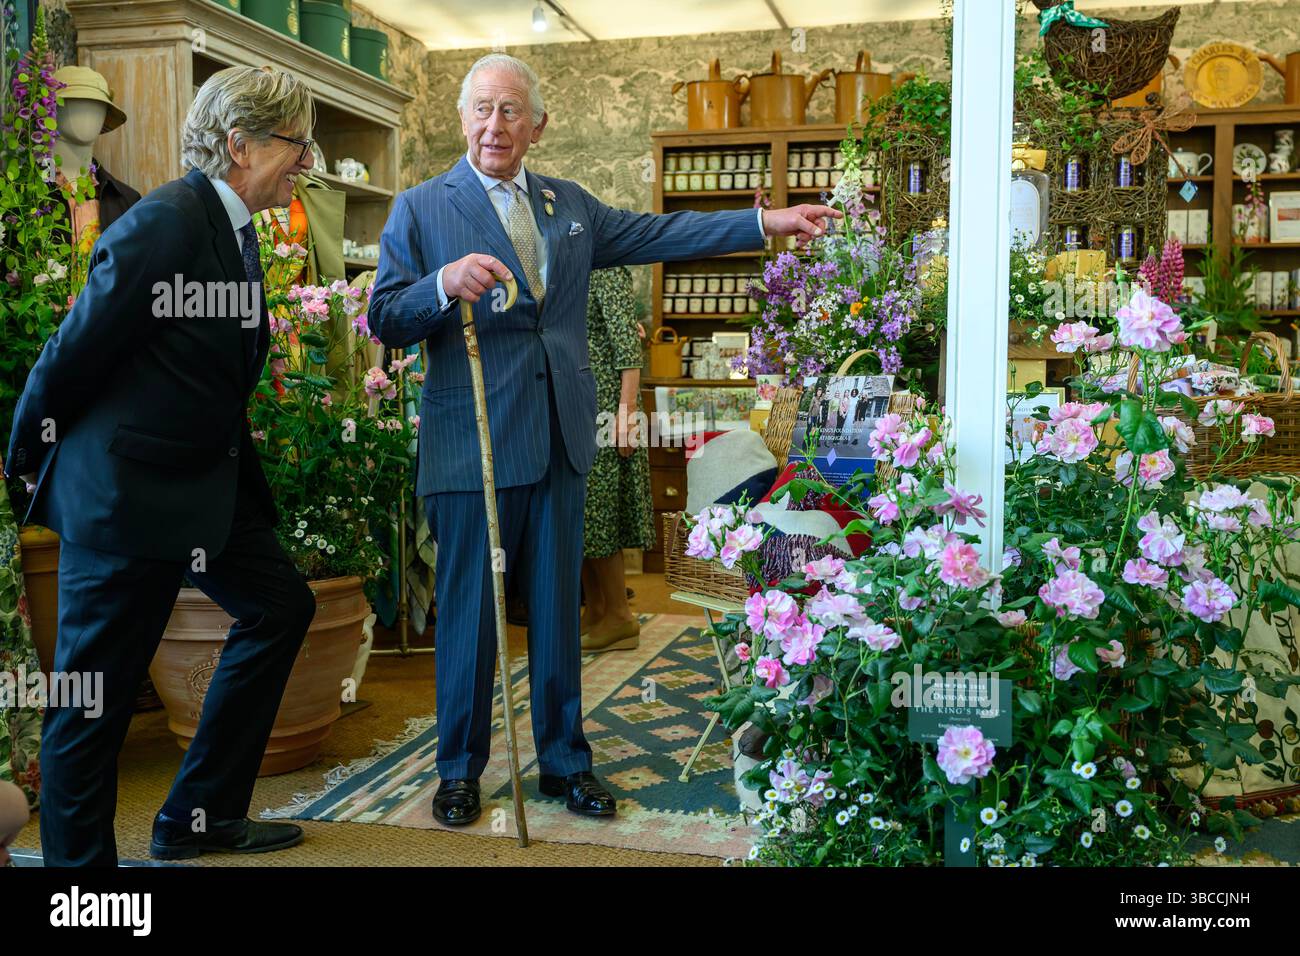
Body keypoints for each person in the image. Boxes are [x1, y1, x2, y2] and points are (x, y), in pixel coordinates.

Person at [368, 52, 838, 827]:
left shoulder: (570, 207)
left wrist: (766, 222)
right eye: (482, 109)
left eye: (511, 111)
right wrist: (441, 285)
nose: (495, 125)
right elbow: (385, 316)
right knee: (471, 616)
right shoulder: (421, 210)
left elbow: (662, 230)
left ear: (538, 125)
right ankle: (458, 770)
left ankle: (564, 763)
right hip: (470, 445)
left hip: (560, 440)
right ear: (461, 119)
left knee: (560, 611)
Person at [4, 65, 317, 866]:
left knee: (280, 608)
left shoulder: (235, 227)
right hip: (125, 496)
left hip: (203, 484)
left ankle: (197, 820)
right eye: (298, 145)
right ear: (240, 145)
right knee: (92, 704)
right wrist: (26, 459)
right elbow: (73, 352)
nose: (307, 163)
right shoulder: (165, 223)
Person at [580, 266, 654, 653]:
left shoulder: (606, 269)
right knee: (581, 513)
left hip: (605, 405)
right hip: (580, 401)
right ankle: (597, 610)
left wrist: (626, 414)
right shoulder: (572, 265)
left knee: (601, 512)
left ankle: (620, 616)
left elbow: (628, 348)